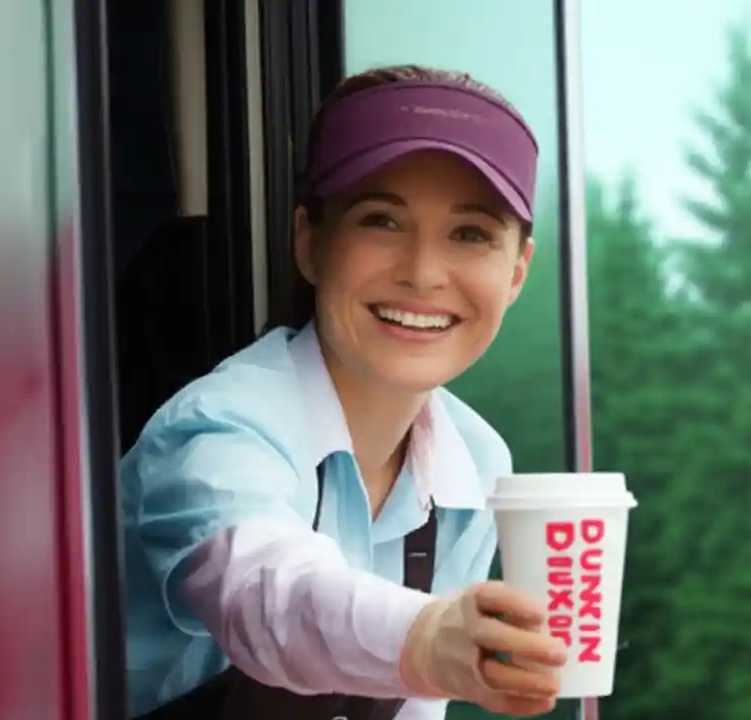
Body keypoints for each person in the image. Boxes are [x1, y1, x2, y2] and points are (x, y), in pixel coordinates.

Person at [119, 64, 567, 720]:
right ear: (310, 243)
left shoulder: (477, 463)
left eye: (470, 233)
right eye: (381, 221)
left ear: (517, 272)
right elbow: (267, 597)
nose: (422, 273)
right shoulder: (217, 428)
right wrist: (431, 637)